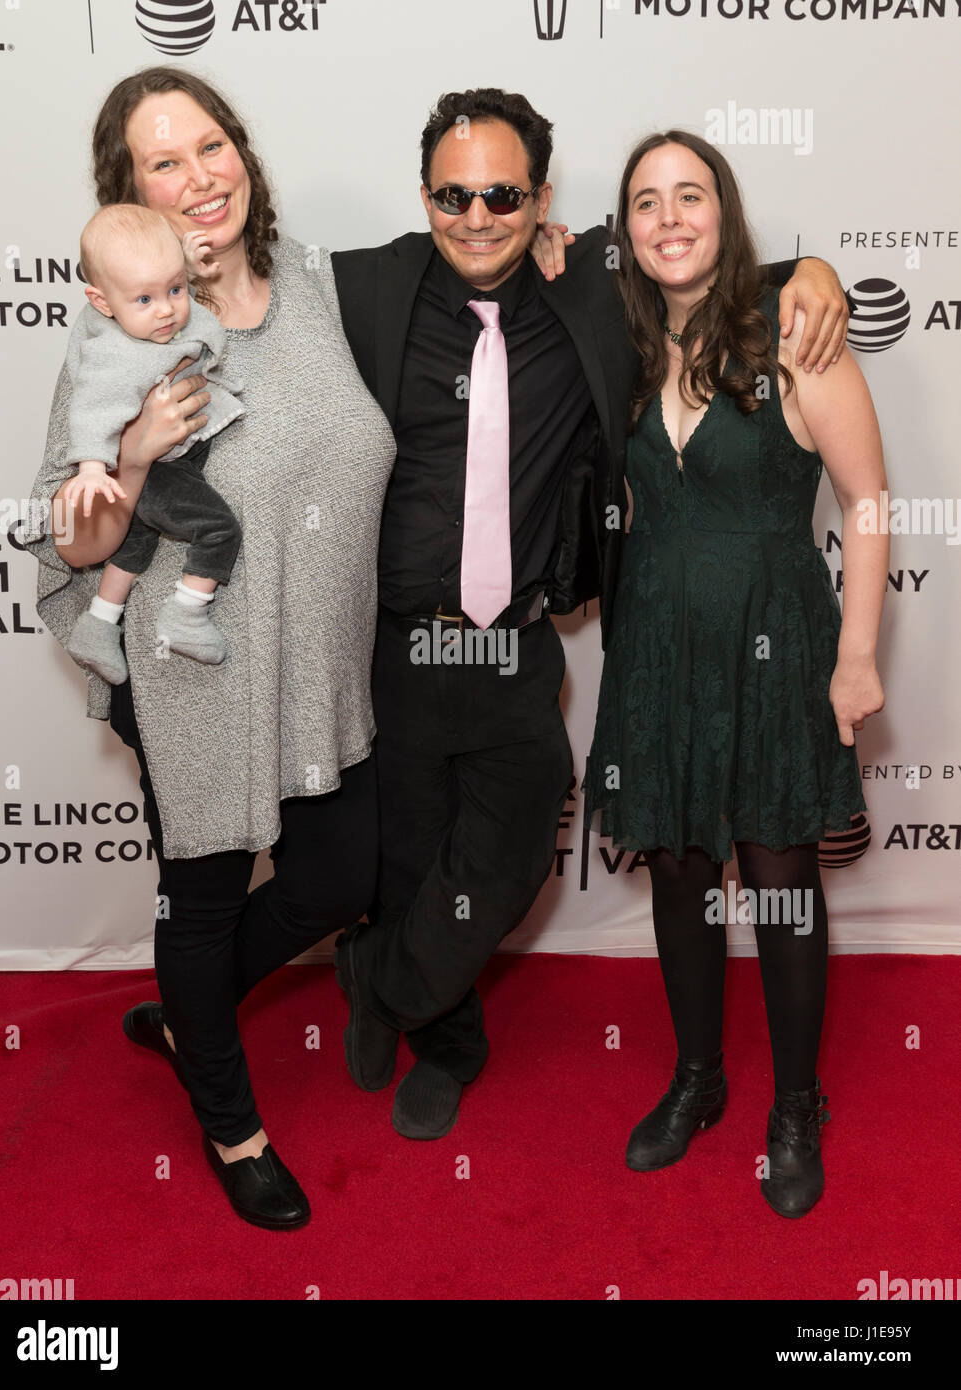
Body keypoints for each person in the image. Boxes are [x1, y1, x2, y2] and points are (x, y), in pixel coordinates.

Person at [330, 88, 850, 1142]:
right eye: (453, 193)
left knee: (516, 853)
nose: (477, 215)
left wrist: (813, 273)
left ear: (541, 199)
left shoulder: (587, 286)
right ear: (423, 193)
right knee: (409, 856)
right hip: (391, 635)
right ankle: (445, 1040)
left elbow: (705, 265)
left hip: (518, 636)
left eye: (502, 193)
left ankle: (377, 981)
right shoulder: (363, 287)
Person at [22, 67, 396, 1230]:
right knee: (208, 892)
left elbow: (477, 263)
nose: (200, 176)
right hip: (194, 666)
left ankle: (192, 1009)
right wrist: (129, 455)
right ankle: (230, 1122)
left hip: (321, 653)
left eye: (212, 145)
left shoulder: (319, 284)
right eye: (163, 162)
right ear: (128, 195)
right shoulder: (127, 334)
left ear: (243, 153)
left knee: (340, 875)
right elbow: (65, 527)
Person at [580, 130, 887, 1217]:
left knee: (780, 880)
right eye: (646, 202)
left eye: (691, 196)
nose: (669, 217)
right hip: (655, 648)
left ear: (726, 211)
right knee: (675, 869)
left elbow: (865, 503)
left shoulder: (796, 335)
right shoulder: (614, 344)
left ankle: (795, 1102)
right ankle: (699, 1077)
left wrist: (856, 656)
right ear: (623, 230)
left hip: (775, 643)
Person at [63, 205, 245, 684]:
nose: (166, 310)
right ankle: (187, 613)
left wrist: (183, 263)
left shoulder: (152, 316)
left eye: (176, 290)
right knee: (218, 527)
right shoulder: (113, 353)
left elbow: (157, 279)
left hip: (168, 463)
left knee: (136, 542)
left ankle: (98, 624)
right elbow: (92, 409)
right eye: (144, 299)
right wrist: (92, 467)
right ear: (102, 303)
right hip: (158, 470)